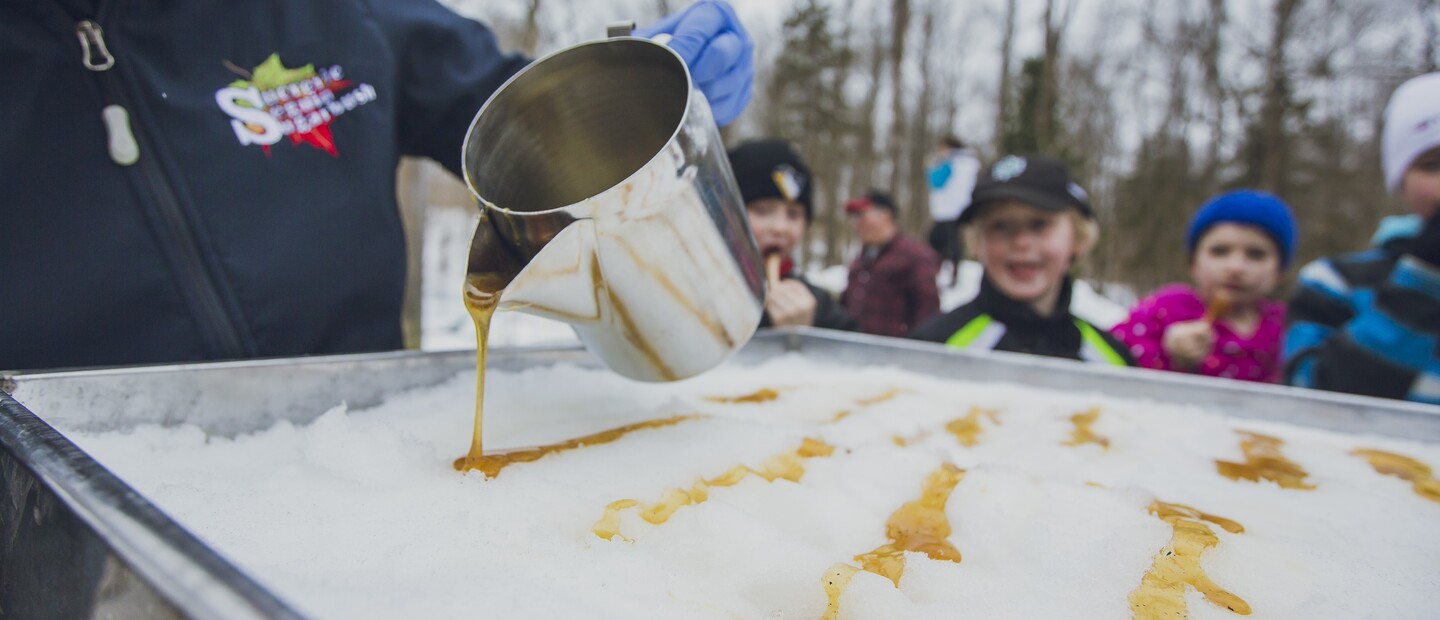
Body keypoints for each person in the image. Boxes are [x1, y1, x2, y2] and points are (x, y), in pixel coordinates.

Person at [0, 0, 753, 371]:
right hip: (71, 512)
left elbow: (525, 120)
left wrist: (648, 86)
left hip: (357, 457)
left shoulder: (335, 12)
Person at [1284, 72, 1440, 404]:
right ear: (1400, 180)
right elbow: (1309, 396)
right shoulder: (1334, 283)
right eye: (1433, 164)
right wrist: (1420, 286)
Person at [910, 155, 1133, 367]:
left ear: (1078, 237)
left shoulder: (1112, 362)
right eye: (1001, 226)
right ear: (977, 242)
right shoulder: (936, 349)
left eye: (1039, 224)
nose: (1021, 242)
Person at [1112, 191, 1295, 382]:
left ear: (1280, 271)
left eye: (1256, 254)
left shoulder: (1289, 326)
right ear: (1193, 263)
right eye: (1220, 251)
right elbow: (1107, 361)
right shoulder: (1163, 311)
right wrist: (1167, 357)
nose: (1235, 267)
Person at [727, 139, 856, 331]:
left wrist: (800, 340)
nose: (780, 228)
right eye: (762, 211)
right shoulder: (694, 291)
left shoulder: (818, 305)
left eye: (793, 214)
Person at [840, 190, 941, 337]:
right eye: (855, 218)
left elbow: (928, 313)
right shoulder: (862, 257)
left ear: (885, 215)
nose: (857, 224)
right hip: (855, 352)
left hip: (895, 356)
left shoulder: (915, 255)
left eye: (862, 216)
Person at [927, 135, 981, 285]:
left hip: (947, 211)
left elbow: (935, 182)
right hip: (958, 210)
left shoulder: (950, 164)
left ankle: (935, 272)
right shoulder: (967, 164)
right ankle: (949, 272)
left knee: (936, 242)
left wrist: (932, 167)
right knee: (952, 242)